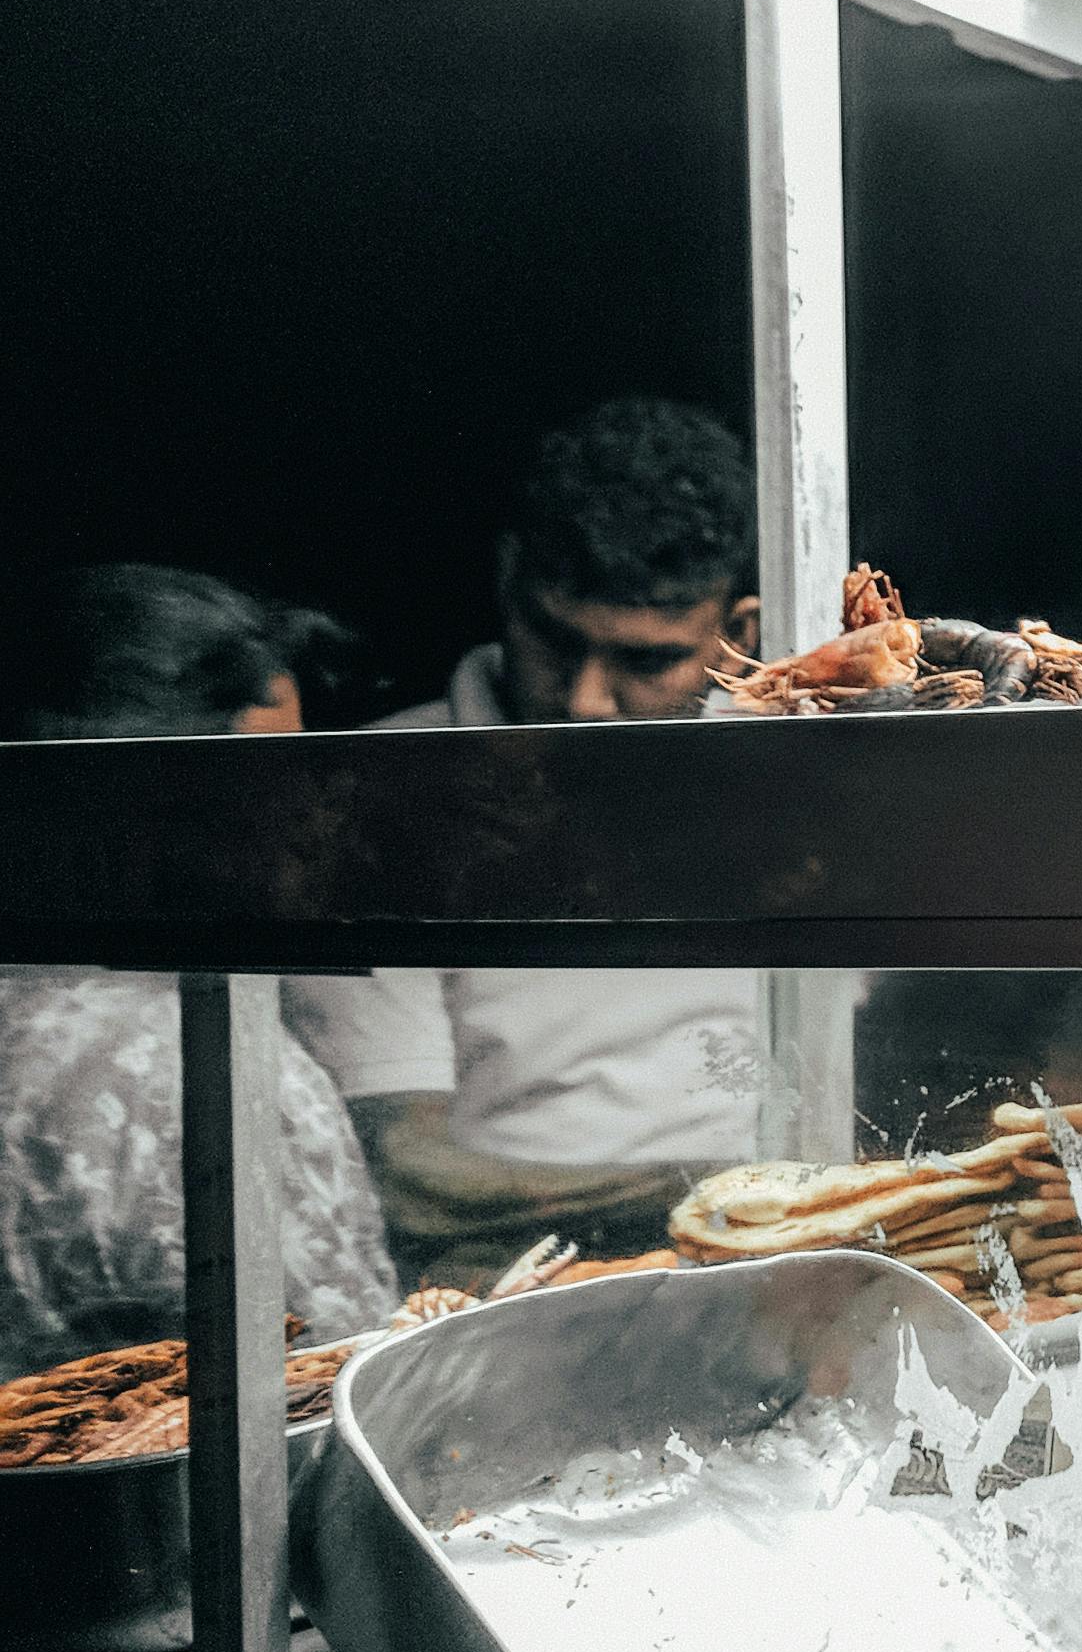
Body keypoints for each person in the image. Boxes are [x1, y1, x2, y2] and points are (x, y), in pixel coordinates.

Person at [284, 402, 771, 1289]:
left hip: (788, 1280)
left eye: (645, 660)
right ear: (508, 580)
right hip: (506, 1310)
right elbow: (409, 1175)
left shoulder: (794, 782)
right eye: (554, 641)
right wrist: (742, 1192)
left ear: (736, 638)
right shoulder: (371, 801)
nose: (587, 700)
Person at [0, 569, 396, 1380]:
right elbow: (341, 1385)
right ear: (161, 799)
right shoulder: (210, 1060)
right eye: (272, 776)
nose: (313, 813)